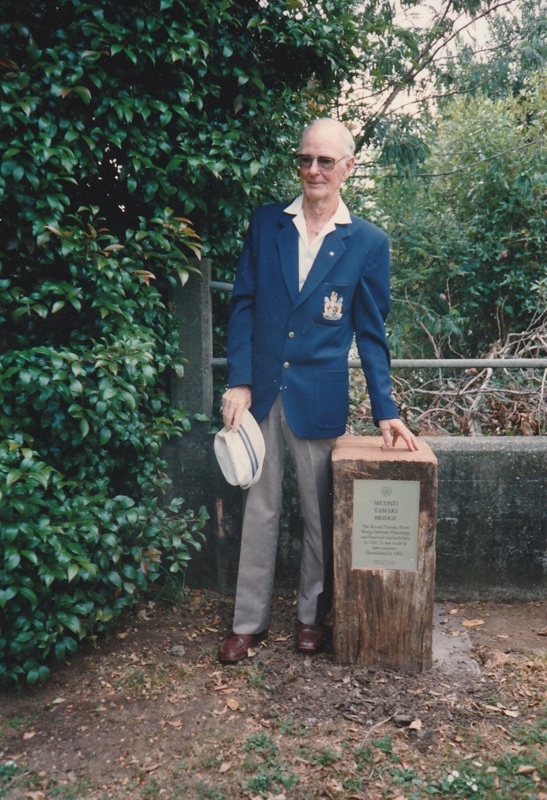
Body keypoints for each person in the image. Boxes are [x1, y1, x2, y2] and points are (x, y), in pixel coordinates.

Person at [218, 118, 418, 664]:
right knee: (258, 509)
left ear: (348, 167)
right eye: (305, 159)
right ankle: (247, 622)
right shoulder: (266, 225)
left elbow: (372, 334)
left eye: (325, 161)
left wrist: (386, 411)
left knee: (318, 512)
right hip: (261, 392)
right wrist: (239, 380)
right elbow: (243, 305)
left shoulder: (368, 243)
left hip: (319, 397)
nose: (313, 170)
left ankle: (312, 616)